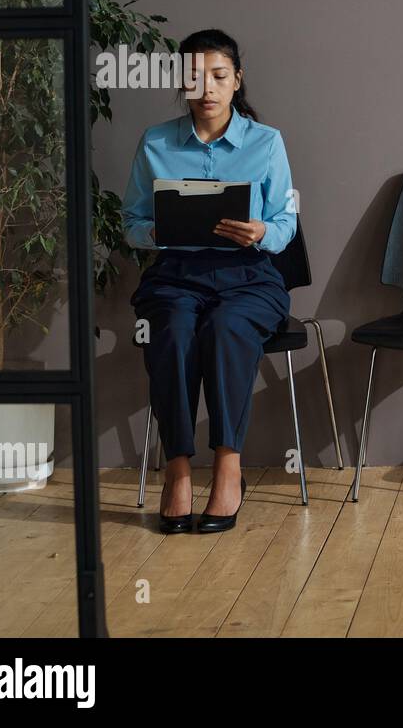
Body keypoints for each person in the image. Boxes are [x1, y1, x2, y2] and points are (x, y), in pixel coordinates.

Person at [122, 29, 297, 534]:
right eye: (196, 79)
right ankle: (177, 469)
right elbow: (129, 222)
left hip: (248, 277)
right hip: (175, 276)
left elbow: (286, 224)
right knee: (172, 332)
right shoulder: (156, 141)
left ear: (236, 80)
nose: (207, 89)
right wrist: (154, 229)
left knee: (226, 330)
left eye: (219, 77)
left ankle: (227, 466)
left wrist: (262, 230)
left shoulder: (267, 143)